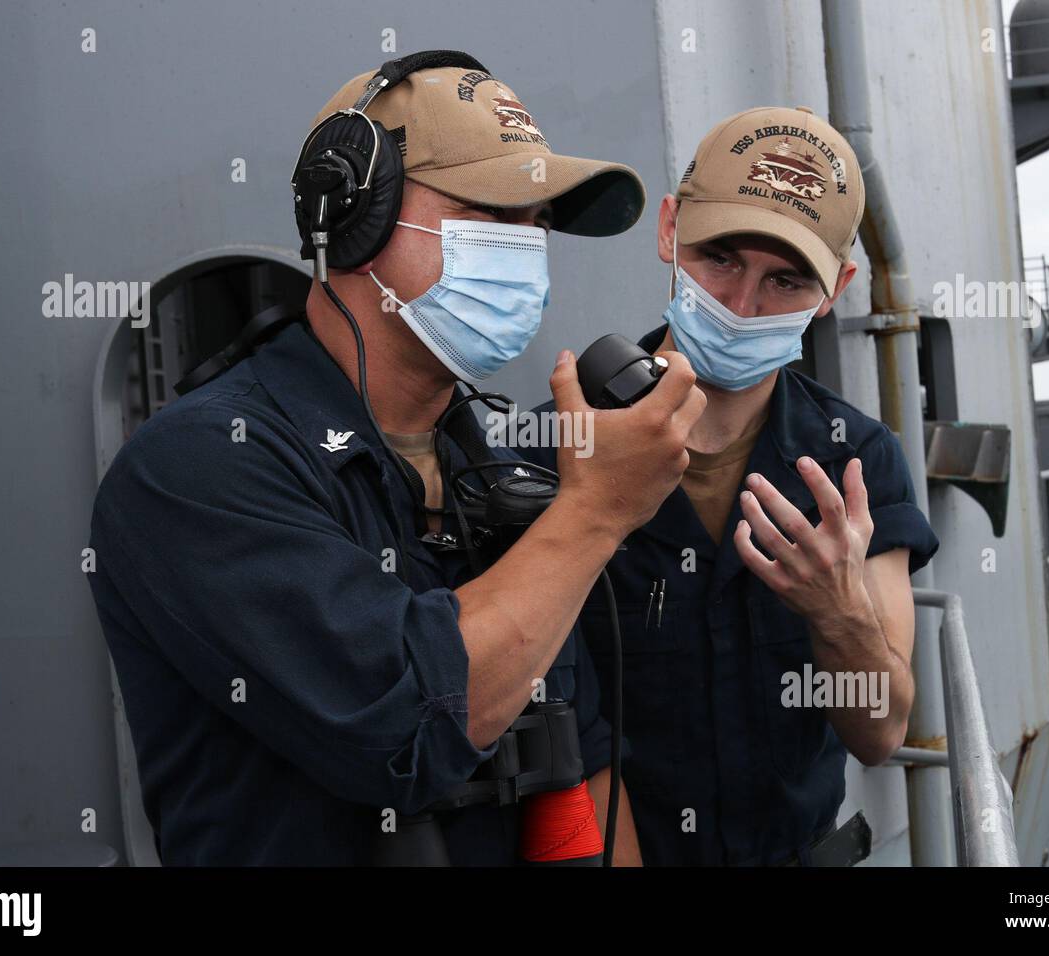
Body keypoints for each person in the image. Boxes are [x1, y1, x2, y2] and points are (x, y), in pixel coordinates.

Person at [86, 52, 705, 865]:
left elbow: (576, 770)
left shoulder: (498, 473)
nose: (526, 249)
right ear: (355, 211)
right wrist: (596, 514)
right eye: (495, 211)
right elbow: (408, 726)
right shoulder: (198, 467)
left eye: (539, 223)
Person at [521, 106, 939, 866]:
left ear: (836, 287)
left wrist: (838, 611)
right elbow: (542, 727)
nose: (741, 305)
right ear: (669, 230)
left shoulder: (857, 462)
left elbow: (879, 732)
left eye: (785, 280)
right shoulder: (557, 448)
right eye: (720, 258)